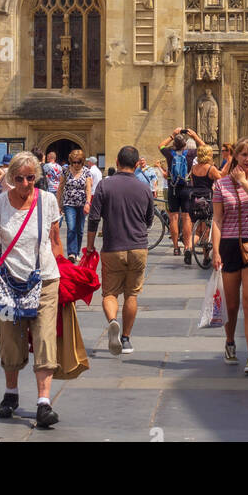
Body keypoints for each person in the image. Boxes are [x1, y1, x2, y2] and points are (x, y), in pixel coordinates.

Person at [0, 151, 64, 428]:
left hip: (45, 281)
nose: (25, 183)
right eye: (19, 178)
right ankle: (11, 393)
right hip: (8, 283)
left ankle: (44, 403)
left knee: (44, 338)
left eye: (31, 177)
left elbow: (55, 241)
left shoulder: (48, 201)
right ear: (10, 178)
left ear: (37, 177)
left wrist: (64, 273)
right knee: (10, 338)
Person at [86, 145, 155, 356]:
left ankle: (113, 321)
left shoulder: (105, 186)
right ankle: (126, 339)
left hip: (113, 247)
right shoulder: (144, 188)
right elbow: (149, 220)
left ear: (116, 161)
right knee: (132, 294)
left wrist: (89, 247)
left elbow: (94, 218)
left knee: (109, 293)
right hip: (138, 247)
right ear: (136, 165)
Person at [211, 137, 248, 376]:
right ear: (235, 156)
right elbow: (217, 219)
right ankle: (230, 341)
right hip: (228, 245)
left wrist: (244, 182)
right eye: (244, 154)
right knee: (232, 303)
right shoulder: (220, 185)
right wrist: (215, 251)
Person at [159, 128, 200, 260]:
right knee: (187, 218)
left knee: (174, 219)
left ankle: (176, 248)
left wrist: (173, 134)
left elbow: (160, 145)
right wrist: (194, 135)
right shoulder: (190, 154)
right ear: (185, 145)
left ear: (175, 144)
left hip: (173, 188)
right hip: (187, 188)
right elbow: (205, 148)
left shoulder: (170, 154)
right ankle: (188, 246)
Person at [56, 149, 93, 260]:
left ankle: (77, 252)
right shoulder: (65, 170)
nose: (76, 165)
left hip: (82, 204)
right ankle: (71, 253)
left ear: (82, 162)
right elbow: (60, 187)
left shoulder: (86, 171)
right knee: (71, 228)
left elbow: (88, 189)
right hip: (69, 203)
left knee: (80, 230)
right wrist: (58, 204)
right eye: (74, 162)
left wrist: (88, 202)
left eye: (78, 162)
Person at [185, 144, 220, 257]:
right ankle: (205, 258)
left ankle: (188, 249)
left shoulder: (194, 168)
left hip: (194, 200)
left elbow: (193, 183)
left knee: (197, 230)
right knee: (206, 230)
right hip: (207, 200)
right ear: (208, 155)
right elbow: (222, 180)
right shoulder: (211, 169)